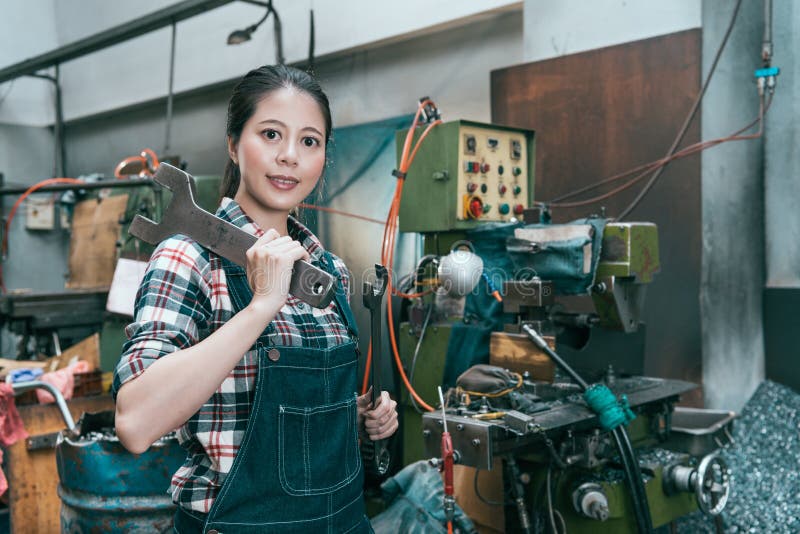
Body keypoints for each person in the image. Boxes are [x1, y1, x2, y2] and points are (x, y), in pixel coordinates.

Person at [112, 64, 398, 533]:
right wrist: (262, 304)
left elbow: (295, 419)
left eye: (310, 141)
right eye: (270, 134)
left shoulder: (329, 272)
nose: (290, 156)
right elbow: (136, 423)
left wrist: (355, 418)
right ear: (233, 143)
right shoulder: (189, 258)